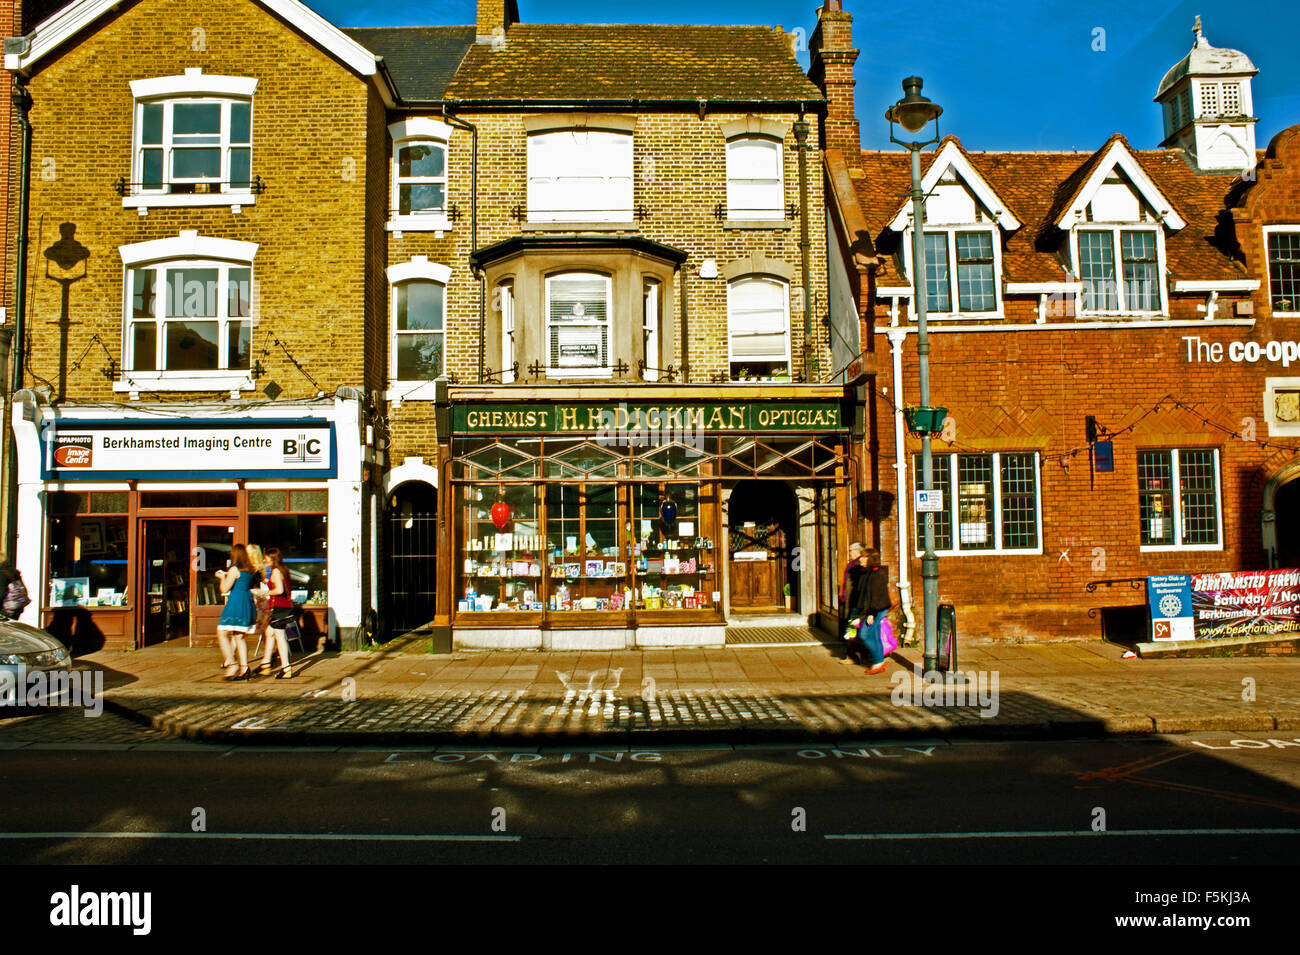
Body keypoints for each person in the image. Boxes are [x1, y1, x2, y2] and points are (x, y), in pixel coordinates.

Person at [215, 544, 259, 681]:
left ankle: (232, 663)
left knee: (221, 632)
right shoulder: (251, 570)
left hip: (236, 602)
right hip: (247, 601)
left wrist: (222, 577)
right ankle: (244, 667)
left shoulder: (234, 569)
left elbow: (225, 589)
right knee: (239, 635)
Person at [256, 548, 297, 679]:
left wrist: (265, 592)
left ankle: (286, 668)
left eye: (266, 558)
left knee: (280, 636)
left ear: (273, 559)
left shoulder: (276, 571)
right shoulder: (284, 569)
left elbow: (279, 590)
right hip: (284, 606)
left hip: (280, 607)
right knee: (269, 633)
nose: (264, 560)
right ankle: (266, 664)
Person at [854, 549, 892, 675]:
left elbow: (875, 596)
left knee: (864, 635)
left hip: (876, 609)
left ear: (870, 559)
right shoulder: (869, 572)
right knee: (875, 635)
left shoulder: (876, 575)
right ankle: (878, 661)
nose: (860, 559)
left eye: (864, 557)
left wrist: (871, 614)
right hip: (875, 609)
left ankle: (878, 660)